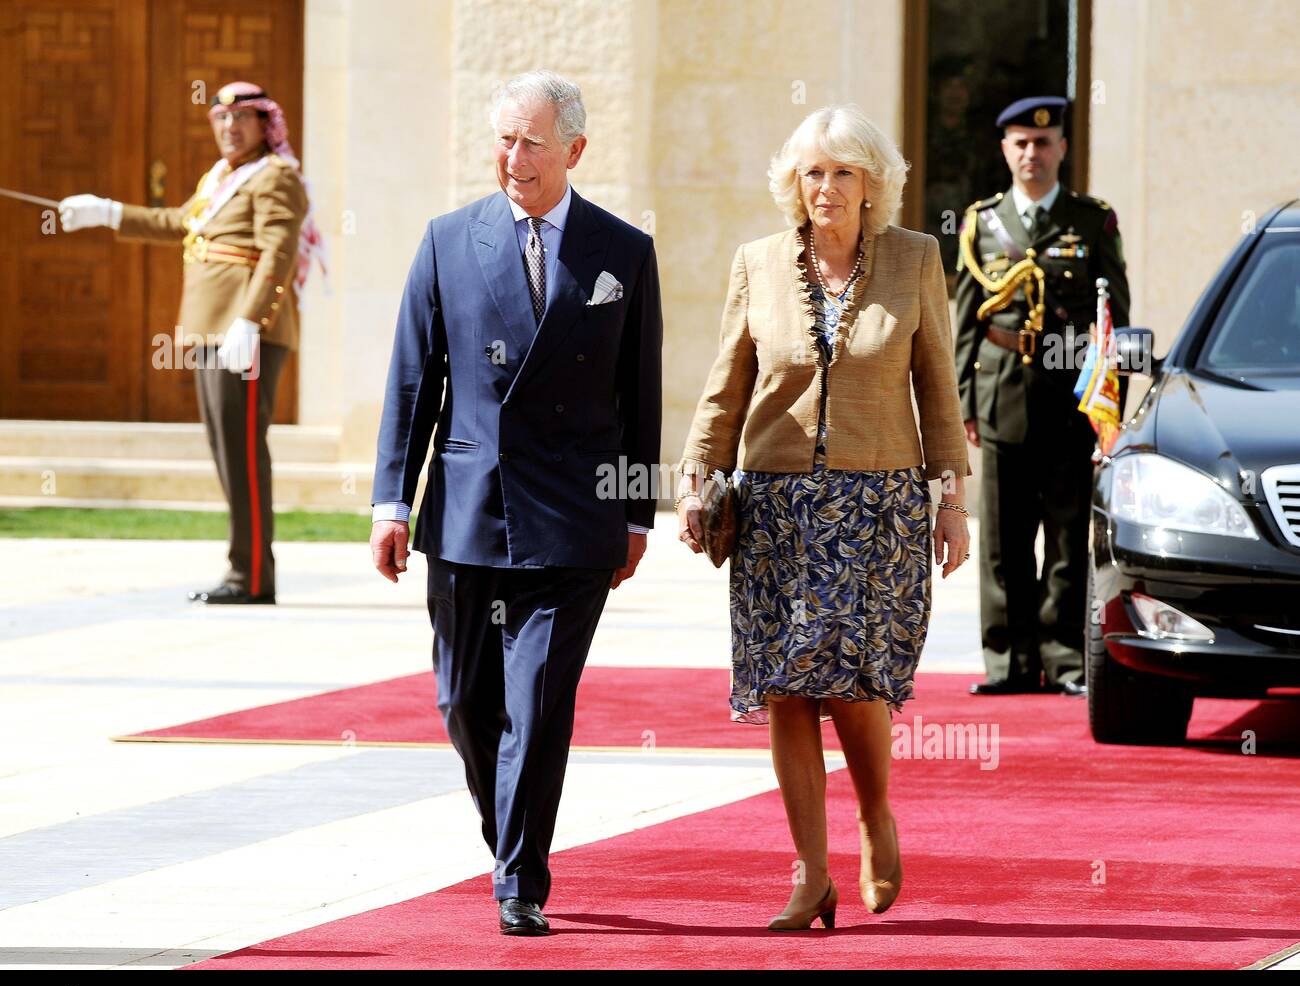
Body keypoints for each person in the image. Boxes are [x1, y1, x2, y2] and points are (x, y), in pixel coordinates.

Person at [369, 70, 661, 938]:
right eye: (503, 138)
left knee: (536, 704)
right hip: (469, 511)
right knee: (464, 702)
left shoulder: (623, 250)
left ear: (575, 149)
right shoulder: (446, 241)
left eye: (532, 141)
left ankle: (519, 880)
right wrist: (391, 502)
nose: (514, 156)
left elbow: (639, 394)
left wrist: (635, 511)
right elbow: (414, 381)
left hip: (574, 521)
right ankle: (510, 834)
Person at [677, 105, 971, 930]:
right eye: (813, 172)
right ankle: (810, 874)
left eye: (844, 172)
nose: (827, 187)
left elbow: (938, 388)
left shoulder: (916, 258)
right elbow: (727, 384)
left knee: (853, 677)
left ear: (872, 183)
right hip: (775, 509)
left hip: (876, 507)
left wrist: (952, 501)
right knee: (785, 689)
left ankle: (875, 813)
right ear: (793, 183)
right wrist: (696, 482)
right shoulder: (758, 262)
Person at [58, 81, 326, 604]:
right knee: (228, 452)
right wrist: (107, 212)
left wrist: (250, 322)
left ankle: (250, 578)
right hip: (213, 329)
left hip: (244, 332)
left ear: (265, 124)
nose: (230, 127)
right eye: (220, 119)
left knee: (243, 455)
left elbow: (278, 252)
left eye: (242, 118)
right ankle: (244, 571)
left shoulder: (275, 175)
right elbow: (180, 223)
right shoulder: (223, 178)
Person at [953, 96, 1130, 696]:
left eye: (1044, 143)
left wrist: (1110, 407)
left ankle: (1065, 660)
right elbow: (966, 322)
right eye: (1022, 143)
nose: (1033, 152)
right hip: (1000, 391)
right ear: (1006, 150)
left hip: (1071, 397)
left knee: (1067, 537)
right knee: (1002, 539)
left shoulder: (1092, 220)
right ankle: (1008, 662)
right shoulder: (983, 222)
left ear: (1062, 149)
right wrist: (964, 402)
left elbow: (1114, 320)